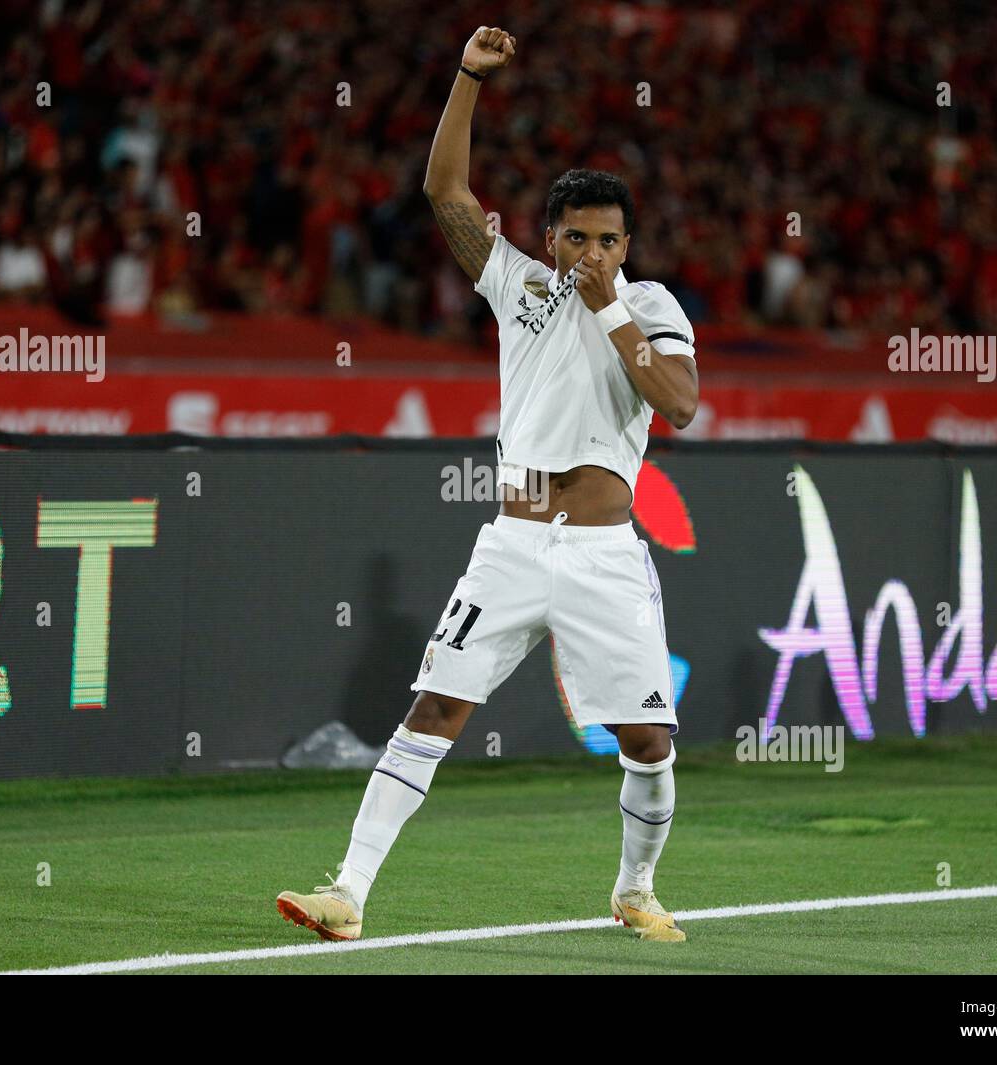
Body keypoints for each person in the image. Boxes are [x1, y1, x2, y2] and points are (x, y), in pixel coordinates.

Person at [277, 26, 699, 944]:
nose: (594, 252)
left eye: (610, 240)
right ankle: (345, 893)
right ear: (549, 239)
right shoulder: (518, 288)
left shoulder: (652, 304)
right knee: (434, 708)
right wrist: (467, 75)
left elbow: (681, 403)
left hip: (601, 555)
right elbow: (443, 191)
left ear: (629, 244)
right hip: (510, 543)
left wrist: (612, 306)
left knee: (649, 745)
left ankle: (635, 887)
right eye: (578, 237)